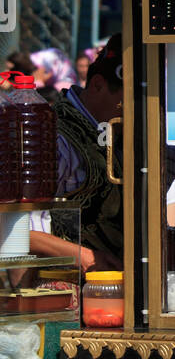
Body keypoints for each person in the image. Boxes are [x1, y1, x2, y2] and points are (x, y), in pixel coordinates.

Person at [28, 34, 124, 271]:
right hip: (53, 291)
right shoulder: (51, 138)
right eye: (130, 96)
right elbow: (12, 227)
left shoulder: (115, 132)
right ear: (99, 85)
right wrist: (83, 255)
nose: (139, 107)